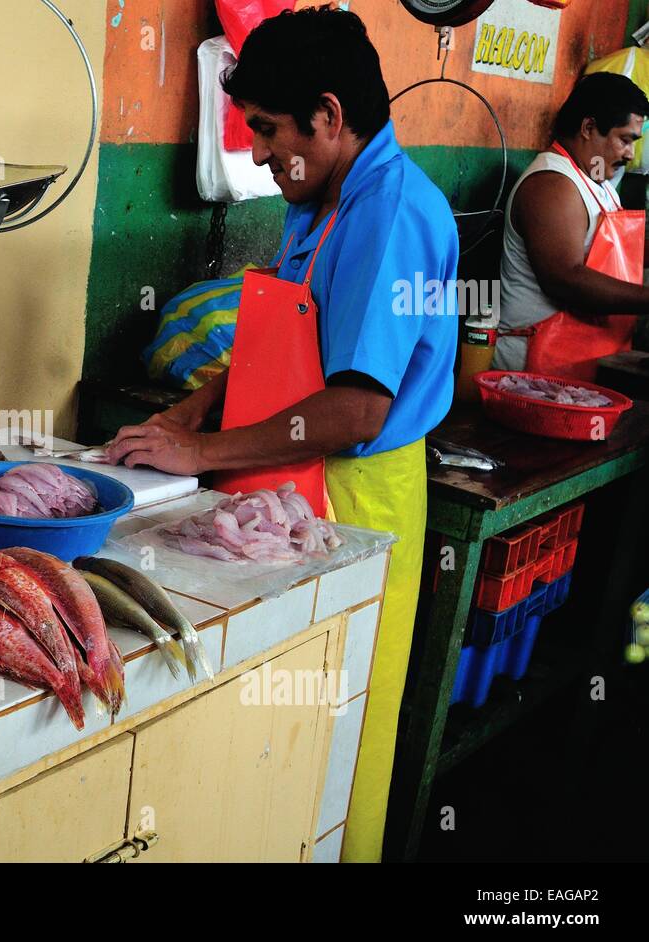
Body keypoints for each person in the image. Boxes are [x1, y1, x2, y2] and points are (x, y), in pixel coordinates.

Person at [105, 7, 458, 862]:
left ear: (329, 117)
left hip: (355, 491)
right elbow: (293, 344)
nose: (259, 153)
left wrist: (201, 453)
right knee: (260, 736)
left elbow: (356, 406)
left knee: (334, 738)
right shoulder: (323, 194)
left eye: (267, 131)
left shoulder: (390, 213)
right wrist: (194, 410)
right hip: (281, 479)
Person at [495, 72, 649, 378]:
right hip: (529, 369)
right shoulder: (553, 183)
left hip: (576, 358)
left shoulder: (595, 180)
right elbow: (565, 278)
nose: (630, 154)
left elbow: (622, 250)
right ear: (589, 128)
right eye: (624, 139)